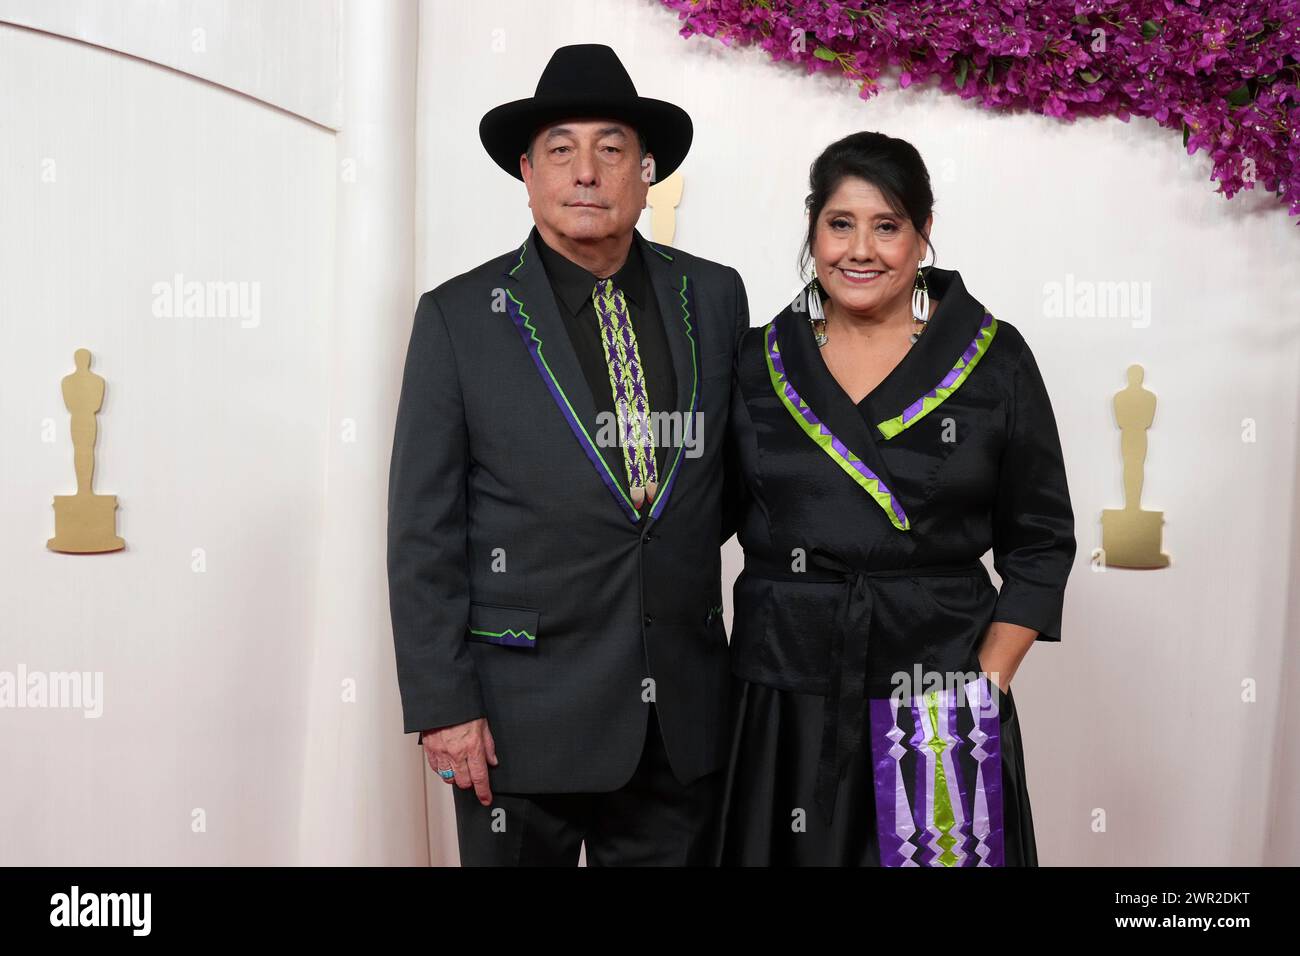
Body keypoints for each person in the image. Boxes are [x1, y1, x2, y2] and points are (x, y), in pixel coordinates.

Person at [387, 43, 750, 865]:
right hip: (518, 722)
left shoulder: (715, 295)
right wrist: (445, 705)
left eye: (612, 149)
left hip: (680, 722)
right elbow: (423, 528)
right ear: (527, 171)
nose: (587, 171)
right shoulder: (459, 318)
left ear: (646, 171)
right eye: (561, 150)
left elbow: (729, 483)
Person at [718, 131, 1076, 866]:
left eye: (887, 226)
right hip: (784, 696)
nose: (861, 249)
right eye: (840, 223)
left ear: (923, 235)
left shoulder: (992, 356)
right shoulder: (759, 358)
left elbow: (1041, 541)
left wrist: (986, 683)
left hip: (937, 697)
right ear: (813, 228)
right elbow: (698, 519)